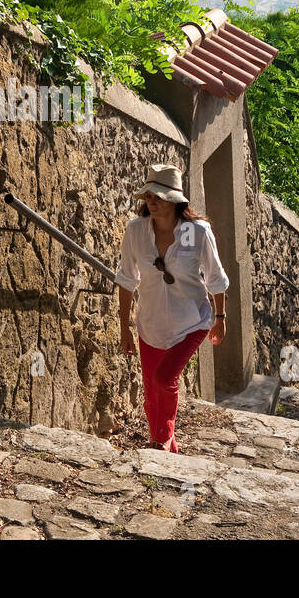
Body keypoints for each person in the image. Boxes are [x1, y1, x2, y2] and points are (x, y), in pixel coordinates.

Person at [114, 163, 229, 453]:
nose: (152, 202)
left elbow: (215, 278)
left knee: (165, 379)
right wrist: (124, 326)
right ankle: (169, 453)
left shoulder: (195, 232)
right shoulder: (136, 231)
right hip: (150, 324)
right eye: (149, 197)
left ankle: (161, 440)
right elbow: (126, 279)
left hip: (191, 322)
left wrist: (220, 317)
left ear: (176, 201)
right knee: (151, 395)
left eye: (159, 197)